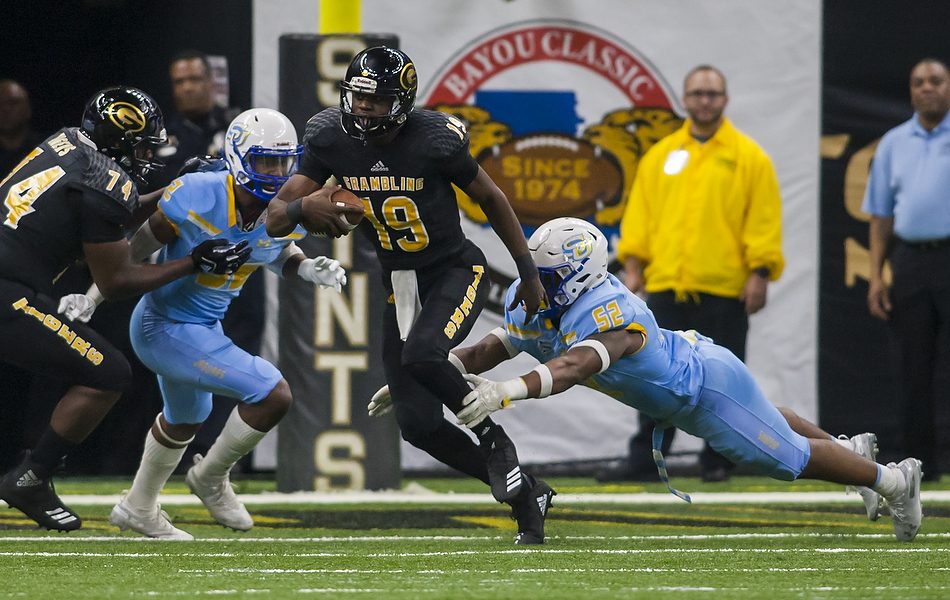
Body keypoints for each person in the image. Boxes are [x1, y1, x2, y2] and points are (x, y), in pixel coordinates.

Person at [421, 217, 922, 542]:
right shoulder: (543, 299)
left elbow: (574, 366)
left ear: (578, 273)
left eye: (547, 275)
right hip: (695, 373)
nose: (537, 283)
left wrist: (505, 393)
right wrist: (437, 369)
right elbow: (499, 344)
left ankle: (896, 481)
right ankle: (850, 451)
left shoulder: (610, 310)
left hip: (704, 390)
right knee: (767, 422)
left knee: (782, 458)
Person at [266, 46, 552, 545]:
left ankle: (495, 438)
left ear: (400, 102)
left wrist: (527, 272)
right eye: (356, 98)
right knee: (417, 424)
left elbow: (492, 198)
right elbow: (273, 217)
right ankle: (528, 495)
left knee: (423, 354)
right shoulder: (330, 137)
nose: (362, 109)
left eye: (374, 101)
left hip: (455, 270)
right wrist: (302, 208)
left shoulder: (434, 139)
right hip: (399, 282)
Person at [57, 108, 346, 539]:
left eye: (283, 162)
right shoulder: (197, 193)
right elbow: (134, 250)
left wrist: (304, 269)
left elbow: (274, 249)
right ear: (237, 156)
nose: (275, 172)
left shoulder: (285, 209)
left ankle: (138, 506)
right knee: (272, 393)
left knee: (185, 418)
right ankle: (210, 476)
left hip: (204, 327)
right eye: (265, 161)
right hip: (164, 324)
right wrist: (93, 296)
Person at [0, 86, 251, 531]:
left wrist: (172, 189)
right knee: (108, 373)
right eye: (140, 144)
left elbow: (110, 219)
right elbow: (115, 281)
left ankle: (30, 476)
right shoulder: (102, 182)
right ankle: (32, 477)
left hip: (15, 285)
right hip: (8, 293)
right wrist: (193, 262)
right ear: (119, 139)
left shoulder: (69, 143)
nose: (145, 153)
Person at [607, 64, 785, 483]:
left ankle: (720, 460)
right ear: (684, 100)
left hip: (724, 289)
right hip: (668, 285)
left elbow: (763, 220)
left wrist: (759, 272)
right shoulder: (661, 155)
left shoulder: (748, 157)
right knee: (654, 379)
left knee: (725, 382)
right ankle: (648, 459)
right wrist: (634, 266)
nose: (705, 101)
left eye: (713, 94)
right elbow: (641, 216)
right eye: (697, 94)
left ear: (725, 100)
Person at [864, 57, 950, 483]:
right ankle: (921, 464)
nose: (927, 88)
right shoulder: (894, 143)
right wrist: (877, 275)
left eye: (936, 80)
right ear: (911, 91)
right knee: (914, 368)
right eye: (918, 82)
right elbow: (880, 216)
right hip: (911, 260)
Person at [0, 80, 44, 177]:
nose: (5, 109)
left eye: (13, 103)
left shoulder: (45, 149)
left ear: (28, 109)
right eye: (0, 103)